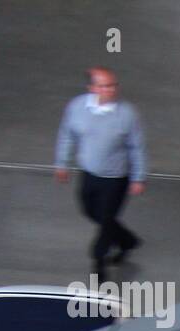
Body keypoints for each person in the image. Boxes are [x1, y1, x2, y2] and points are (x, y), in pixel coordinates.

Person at [54, 67, 147, 278]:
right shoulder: (77, 107)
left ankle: (98, 260)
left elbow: (137, 147)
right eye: (104, 86)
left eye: (113, 85)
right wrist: (62, 163)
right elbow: (67, 135)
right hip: (89, 173)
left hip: (115, 178)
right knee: (89, 211)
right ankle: (127, 240)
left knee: (106, 220)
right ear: (92, 88)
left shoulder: (127, 114)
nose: (111, 90)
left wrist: (138, 177)